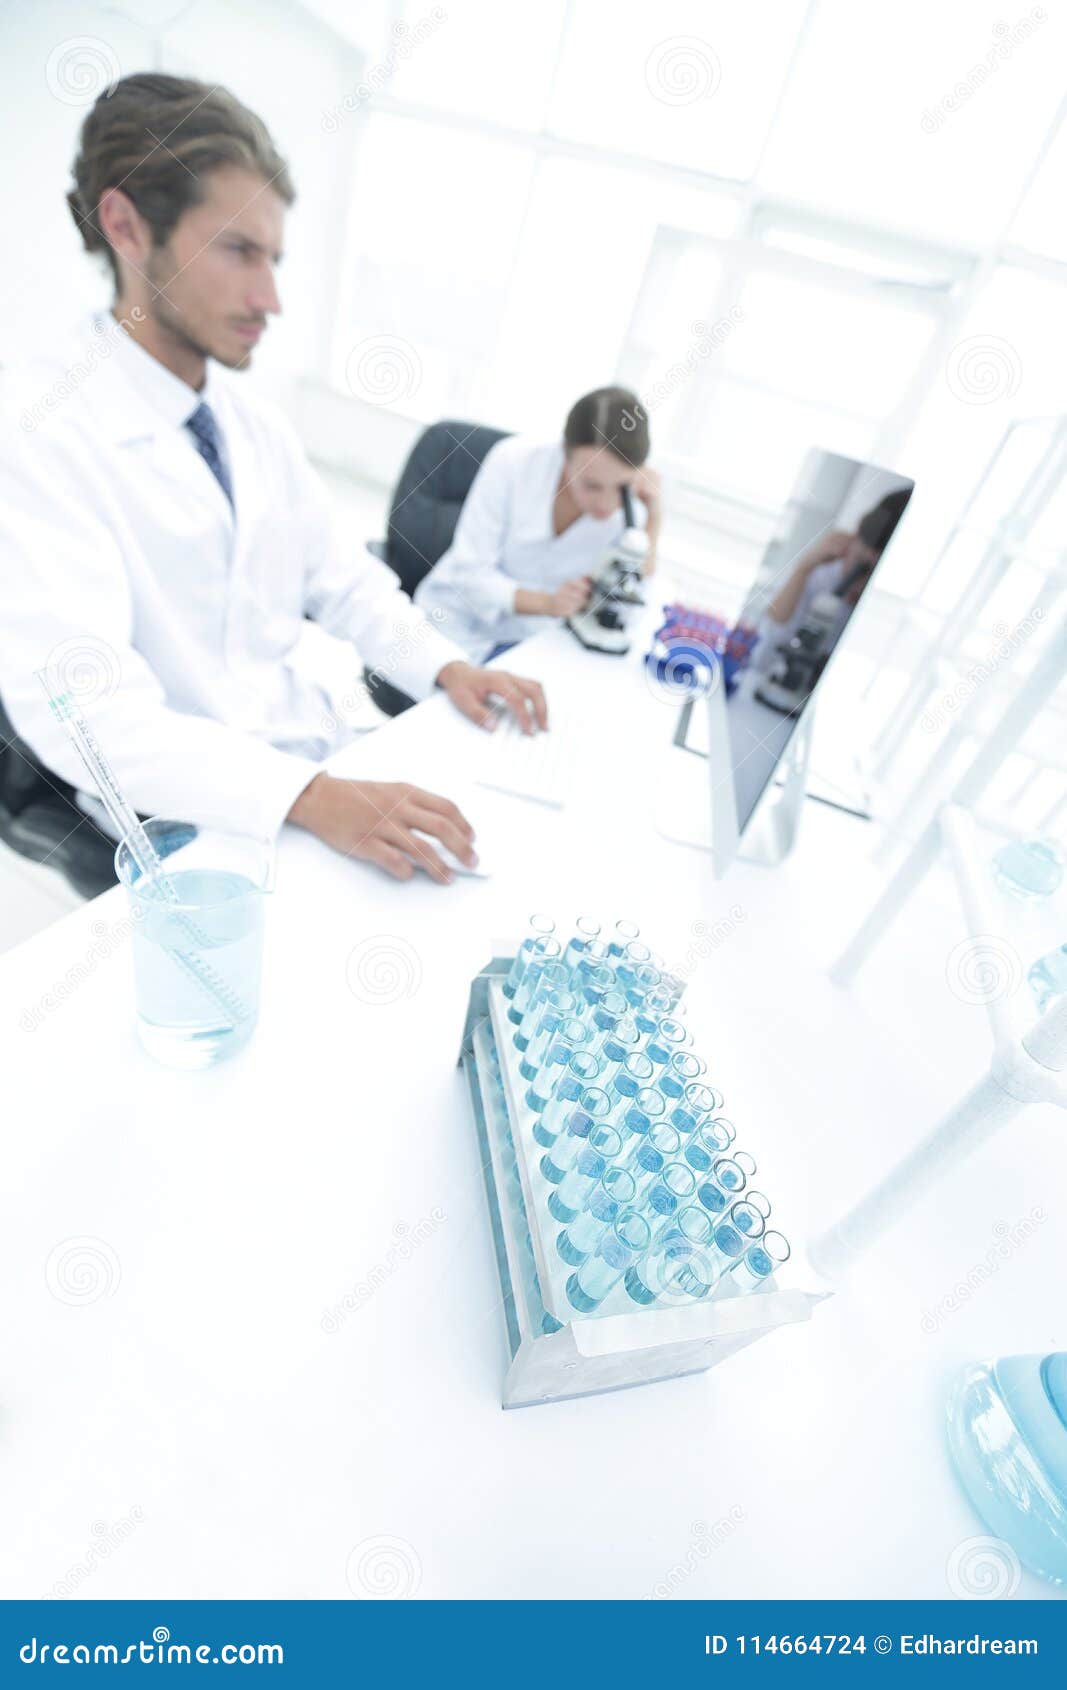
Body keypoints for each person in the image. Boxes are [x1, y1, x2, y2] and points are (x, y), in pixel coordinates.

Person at [0, 75, 547, 888]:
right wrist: (308, 797)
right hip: (188, 819)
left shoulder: (247, 421)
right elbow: (90, 716)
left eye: (276, 258)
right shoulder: (40, 430)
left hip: (310, 761)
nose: (272, 298)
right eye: (237, 250)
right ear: (124, 226)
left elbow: (344, 579)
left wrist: (444, 668)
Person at [414, 387, 661, 662]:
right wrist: (549, 603)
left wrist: (655, 515)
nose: (606, 503)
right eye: (592, 486)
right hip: (454, 624)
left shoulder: (631, 509)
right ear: (564, 453)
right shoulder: (513, 462)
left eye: (621, 487)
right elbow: (469, 574)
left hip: (533, 642)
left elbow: (636, 593)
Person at [758, 487, 912, 660]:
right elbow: (767, 638)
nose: (856, 572)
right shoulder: (822, 572)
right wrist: (803, 569)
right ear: (854, 538)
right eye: (859, 557)